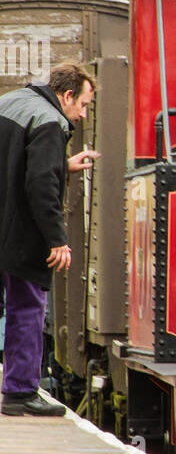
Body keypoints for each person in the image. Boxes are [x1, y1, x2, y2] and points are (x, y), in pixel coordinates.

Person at [0, 61, 98, 416]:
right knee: (27, 308)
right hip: (19, 233)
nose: (83, 114)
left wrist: (63, 163)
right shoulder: (52, 122)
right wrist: (57, 240)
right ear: (67, 95)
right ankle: (20, 392)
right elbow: (41, 185)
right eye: (84, 104)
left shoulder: (10, 101)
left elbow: (15, 159)